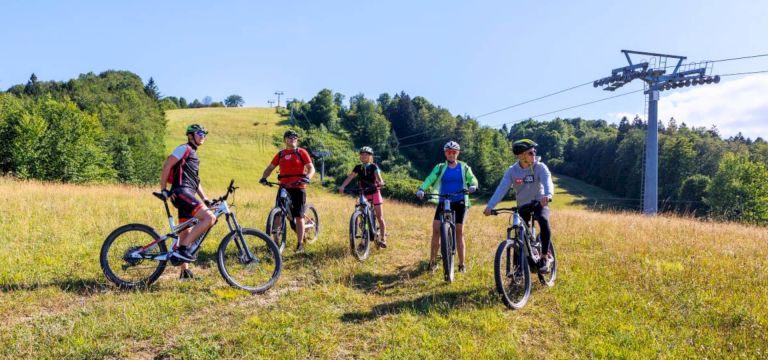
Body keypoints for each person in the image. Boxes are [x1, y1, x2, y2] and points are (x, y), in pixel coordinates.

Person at [483, 139, 555, 273]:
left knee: (543, 220)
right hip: (523, 205)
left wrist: (548, 194)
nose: (534, 154)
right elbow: (501, 189)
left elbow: (547, 181)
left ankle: (544, 257)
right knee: (519, 234)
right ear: (520, 155)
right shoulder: (512, 171)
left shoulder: (540, 167)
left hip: (540, 202)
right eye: (531, 152)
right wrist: (490, 206)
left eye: (534, 152)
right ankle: (518, 269)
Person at [159, 124, 216, 279]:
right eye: (199, 133)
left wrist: (205, 198)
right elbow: (167, 164)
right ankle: (183, 248)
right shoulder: (184, 148)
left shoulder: (194, 155)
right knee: (210, 218)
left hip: (188, 192)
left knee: (186, 231)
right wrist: (164, 189)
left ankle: (185, 272)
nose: (203, 135)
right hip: (181, 192)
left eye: (205, 133)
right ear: (190, 135)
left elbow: (195, 181)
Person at [416, 141, 478, 273]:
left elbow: (472, 179)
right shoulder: (439, 167)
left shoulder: (464, 167)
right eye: (449, 152)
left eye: (454, 152)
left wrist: (473, 185)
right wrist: (422, 188)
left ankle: (461, 265)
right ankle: (432, 262)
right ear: (445, 153)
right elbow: (430, 179)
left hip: (460, 200)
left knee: (459, 231)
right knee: (436, 229)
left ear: (458, 153)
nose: (451, 154)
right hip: (443, 200)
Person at [259, 129, 316, 253]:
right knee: (278, 212)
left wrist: (307, 177)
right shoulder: (281, 154)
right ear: (285, 140)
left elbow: (311, 168)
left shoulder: (302, 152)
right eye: (290, 137)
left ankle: (300, 244)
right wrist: (264, 177)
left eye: (295, 137)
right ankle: (274, 242)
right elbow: (270, 168)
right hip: (284, 187)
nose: (293, 139)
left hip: (298, 187)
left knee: (298, 216)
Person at [338, 146, 387, 248]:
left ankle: (383, 239)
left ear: (370, 156)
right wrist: (343, 186)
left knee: (380, 217)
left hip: (374, 192)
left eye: (366, 154)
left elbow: (378, 177)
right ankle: (364, 240)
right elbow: (350, 177)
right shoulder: (358, 167)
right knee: (362, 215)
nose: (364, 156)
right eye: (362, 154)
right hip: (363, 193)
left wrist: (380, 182)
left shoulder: (374, 166)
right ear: (360, 156)